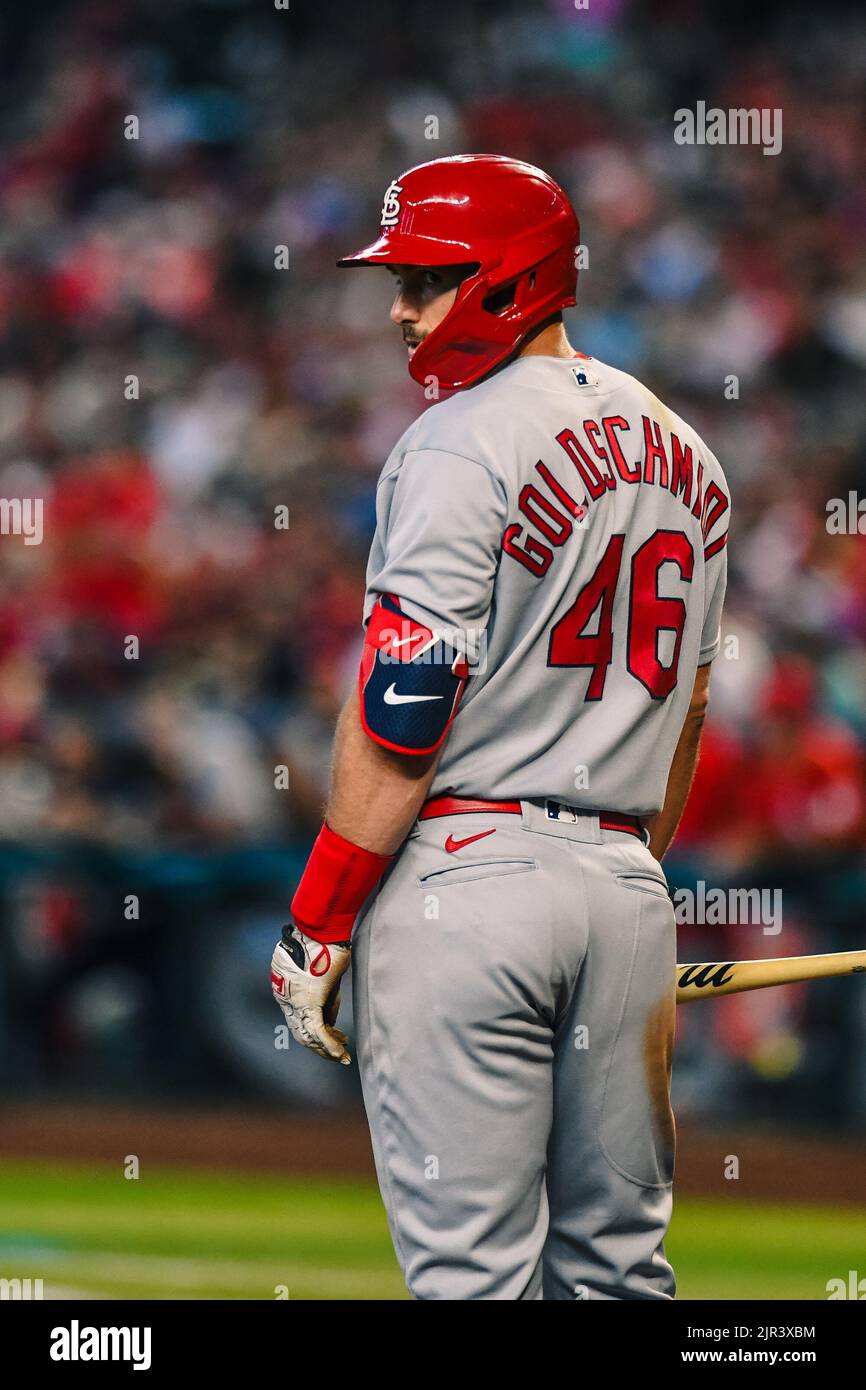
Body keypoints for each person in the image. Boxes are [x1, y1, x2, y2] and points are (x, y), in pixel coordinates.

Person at [271, 154, 730, 1300]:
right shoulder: (692, 456)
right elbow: (684, 723)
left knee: (475, 1282)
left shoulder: (454, 440)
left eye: (423, 279)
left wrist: (318, 921)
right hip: (627, 882)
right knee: (620, 1280)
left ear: (501, 279)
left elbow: (405, 710)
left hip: (465, 880)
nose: (399, 309)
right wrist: (611, 878)